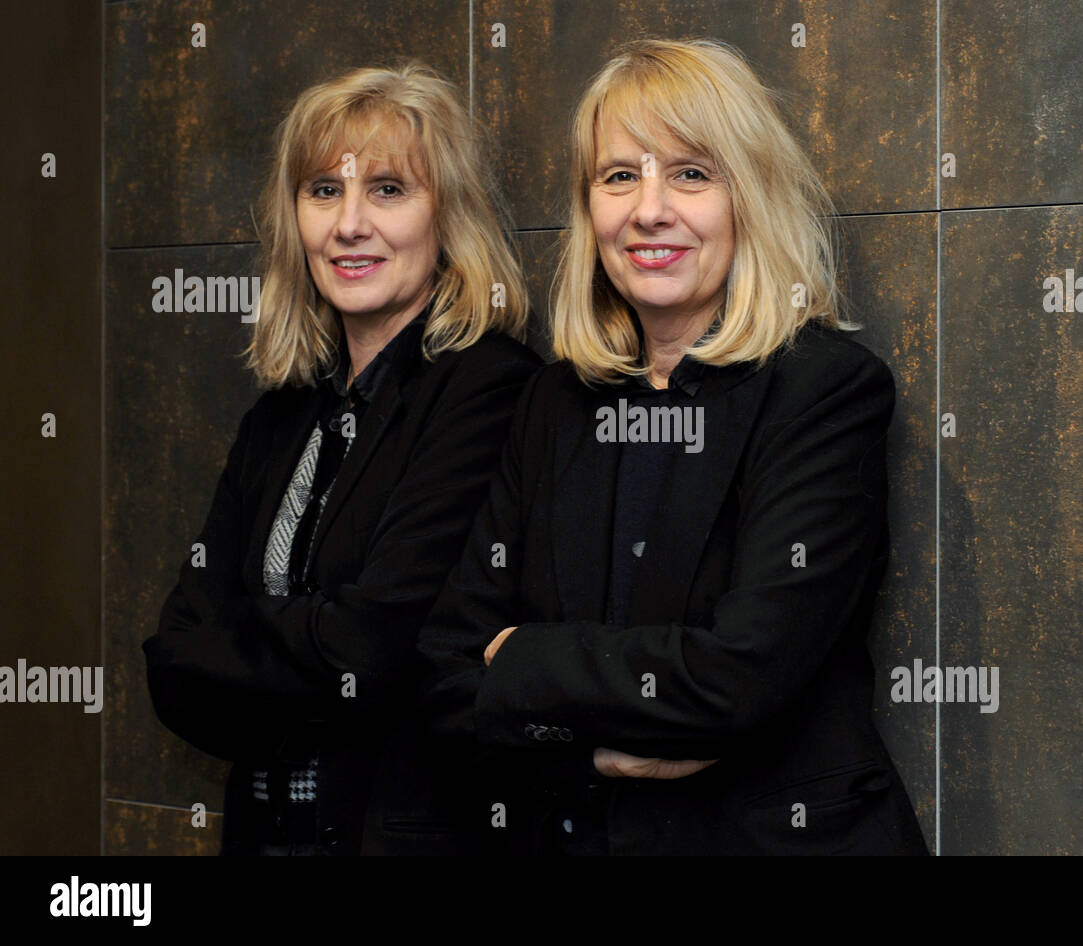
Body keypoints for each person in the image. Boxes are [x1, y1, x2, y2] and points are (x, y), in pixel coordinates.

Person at [415, 39, 928, 855]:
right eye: (620, 176)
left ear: (748, 198)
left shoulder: (823, 391)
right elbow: (444, 671)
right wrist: (590, 747)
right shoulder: (555, 401)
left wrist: (521, 661)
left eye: (691, 173)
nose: (648, 209)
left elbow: (739, 679)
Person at [142, 61, 540, 855]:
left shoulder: (491, 389)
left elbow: (377, 652)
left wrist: (251, 634)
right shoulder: (281, 413)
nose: (348, 224)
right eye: (324, 190)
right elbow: (171, 658)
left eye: (388, 189)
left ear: (447, 213)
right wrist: (313, 637)